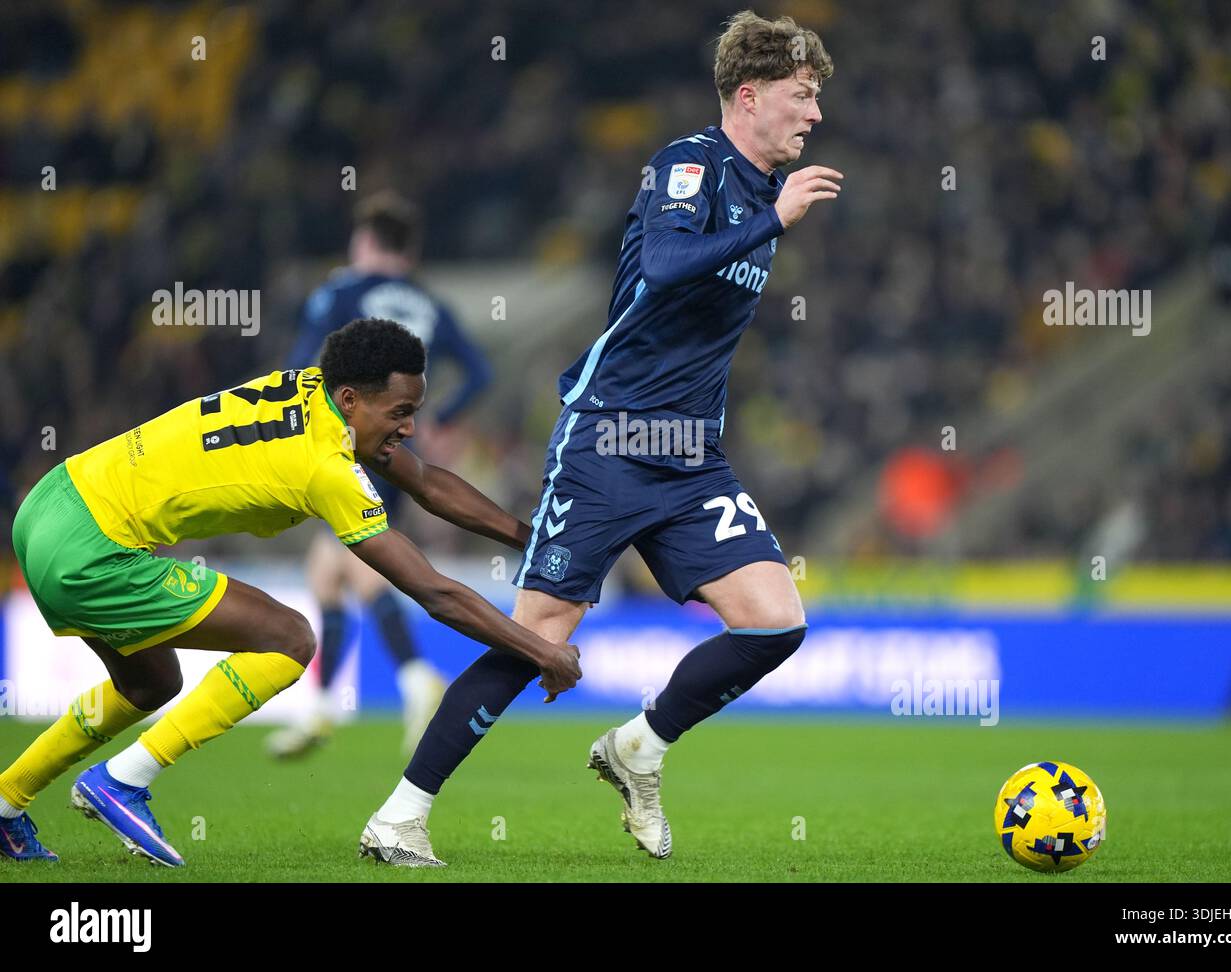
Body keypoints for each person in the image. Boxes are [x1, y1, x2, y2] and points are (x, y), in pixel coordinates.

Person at [361, 10, 839, 864]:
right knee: (537, 636)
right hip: (610, 441)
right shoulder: (690, 166)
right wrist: (774, 224)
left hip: (691, 457)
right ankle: (400, 815)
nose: (814, 115)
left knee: (775, 620)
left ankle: (640, 747)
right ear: (749, 94)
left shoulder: (764, 191)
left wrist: (771, 215)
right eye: (802, 97)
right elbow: (659, 267)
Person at [0, 318, 579, 867]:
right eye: (400, 412)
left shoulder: (312, 389)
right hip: (90, 550)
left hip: (50, 504)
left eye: (415, 412)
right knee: (289, 637)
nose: (409, 428)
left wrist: (525, 537)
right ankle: (123, 779)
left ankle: (6, 803)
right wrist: (541, 650)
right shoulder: (325, 466)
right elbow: (434, 592)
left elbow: (425, 482)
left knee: (150, 682)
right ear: (351, 400)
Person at [269, 192, 493, 759]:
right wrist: (437, 419)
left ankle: (416, 677)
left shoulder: (343, 291)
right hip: (394, 444)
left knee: (357, 557)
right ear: (411, 249)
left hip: (344, 438)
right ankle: (323, 706)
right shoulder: (429, 304)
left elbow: (302, 366)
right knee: (327, 569)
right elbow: (479, 373)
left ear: (365, 242)